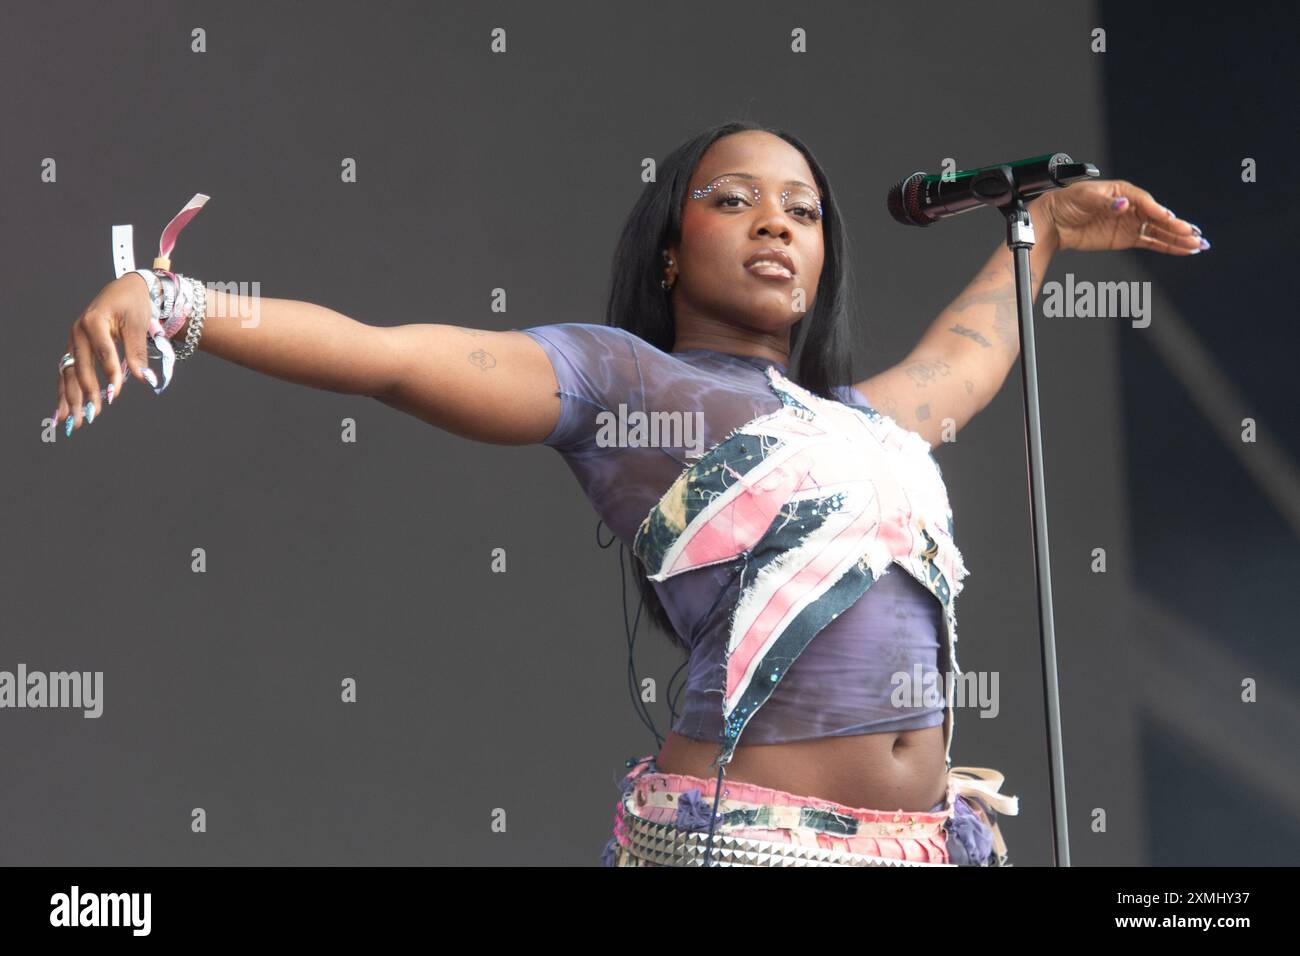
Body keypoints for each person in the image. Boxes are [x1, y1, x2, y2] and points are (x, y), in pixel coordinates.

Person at [51, 121, 1207, 867]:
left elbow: (965, 352)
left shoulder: (862, 422)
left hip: (930, 843)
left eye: (802, 212)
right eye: (734, 200)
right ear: (668, 248)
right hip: (751, 846)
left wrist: (1048, 228)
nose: (775, 225)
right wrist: (181, 301)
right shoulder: (622, 380)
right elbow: (392, 353)